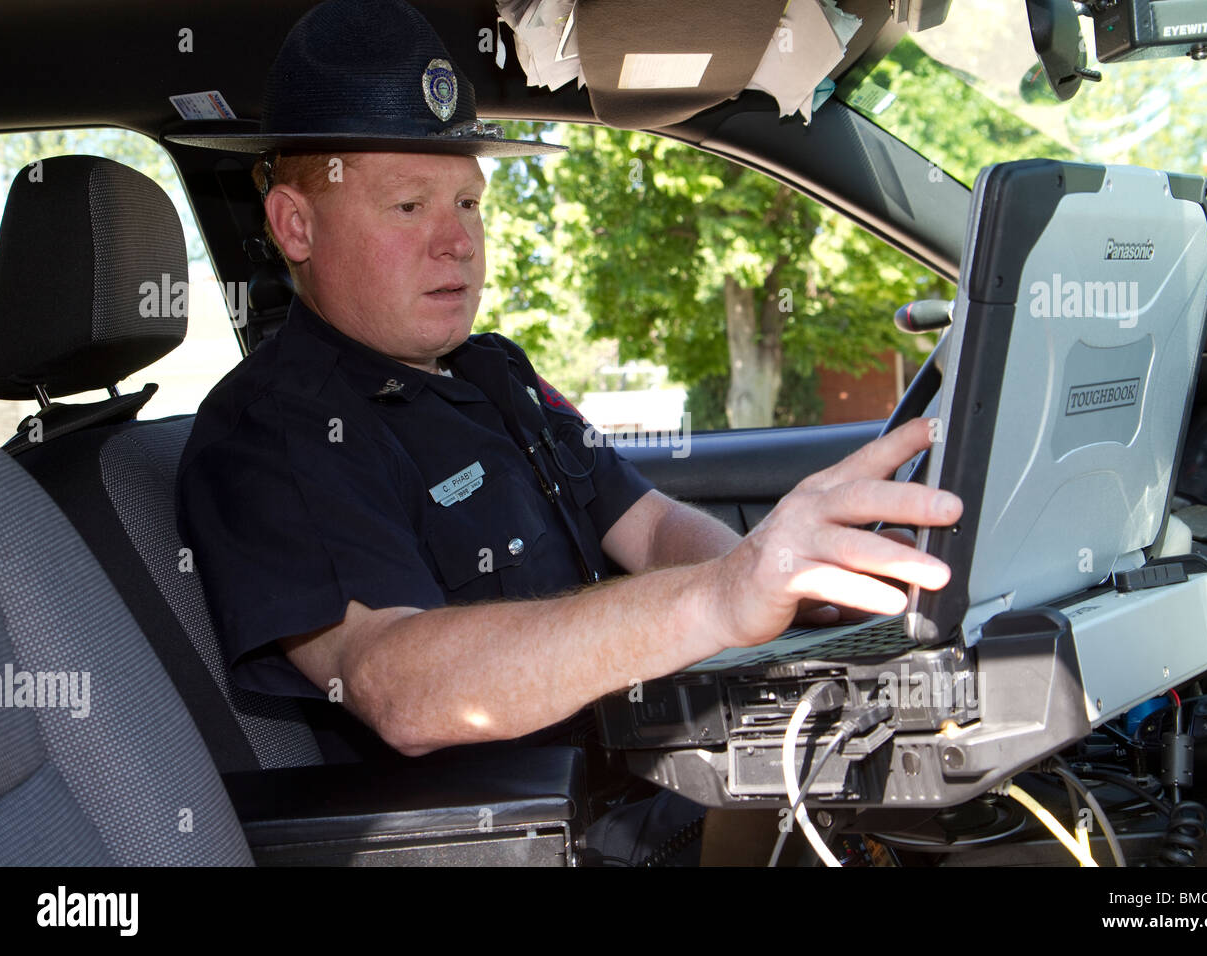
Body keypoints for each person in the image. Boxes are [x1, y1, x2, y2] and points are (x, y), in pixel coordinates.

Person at [171, 0, 961, 862]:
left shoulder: (494, 370)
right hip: (546, 839)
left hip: (669, 783)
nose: (458, 243)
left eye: (469, 203)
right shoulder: (276, 431)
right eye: (408, 207)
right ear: (296, 225)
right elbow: (396, 684)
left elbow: (651, 525)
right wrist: (719, 598)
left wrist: (798, 588)